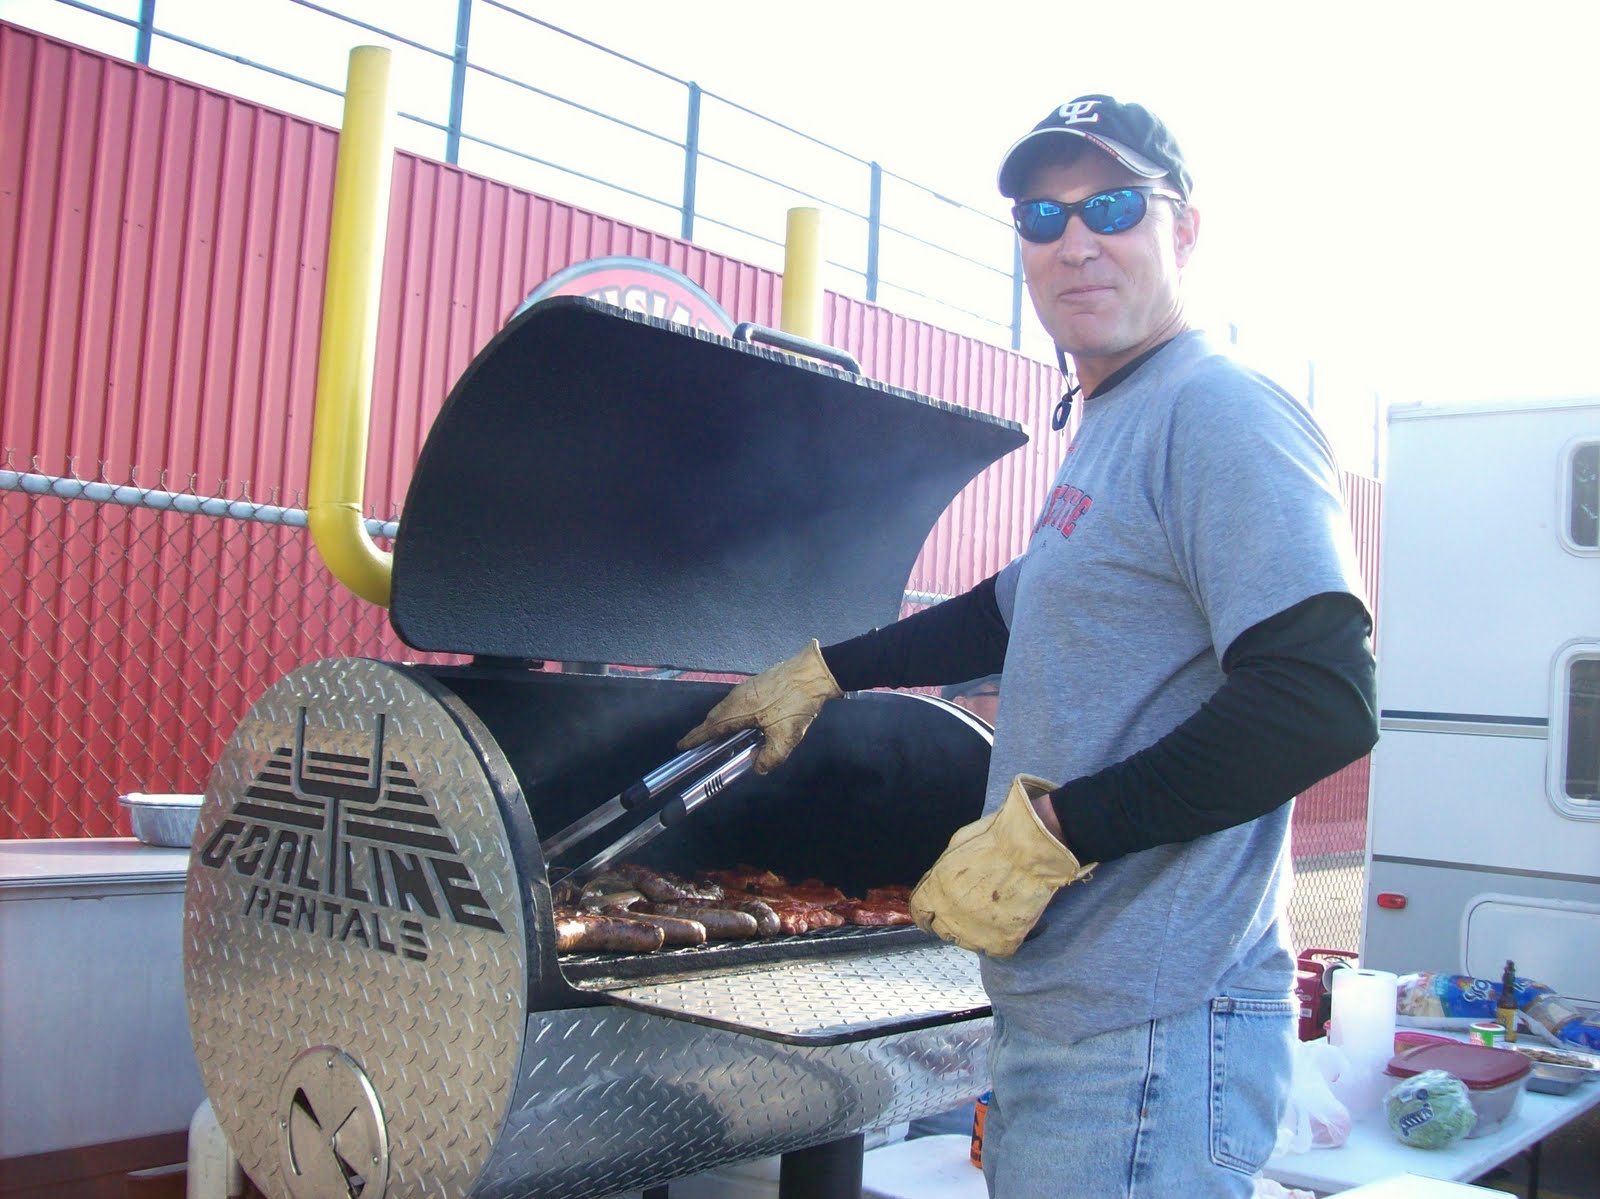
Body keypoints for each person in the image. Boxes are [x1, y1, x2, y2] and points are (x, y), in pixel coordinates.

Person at [679, 93, 1378, 1198]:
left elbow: (1320, 699)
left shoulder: (1218, 410)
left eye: (1112, 206)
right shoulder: (1118, 419)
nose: (1075, 241)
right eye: (1042, 218)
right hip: (1078, 1016)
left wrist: (1057, 831)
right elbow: (1006, 612)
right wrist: (825, 672)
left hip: (1147, 1032)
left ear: (1185, 229)